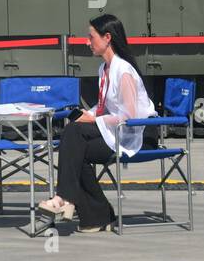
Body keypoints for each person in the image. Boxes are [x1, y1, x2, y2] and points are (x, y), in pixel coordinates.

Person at [38, 13, 155, 233]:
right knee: (74, 146)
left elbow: (129, 116)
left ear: (107, 37)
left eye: (91, 37)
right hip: (115, 132)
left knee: (73, 138)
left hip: (134, 135)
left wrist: (94, 119)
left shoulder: (124, 71)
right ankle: (98, 216)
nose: (87, 41)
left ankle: (64, 198)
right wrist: (89, 113)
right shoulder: (104, 69)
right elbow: (105, 107)